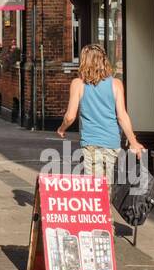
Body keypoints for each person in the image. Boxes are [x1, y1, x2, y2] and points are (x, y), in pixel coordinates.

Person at [56, 44, 145, 180]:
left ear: (84, 61)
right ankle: (106, 200)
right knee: (105, 183)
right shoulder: (116, 84)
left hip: (92, 142)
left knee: (95, 187)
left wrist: (62, 129)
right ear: (104, 61)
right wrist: (133, 142)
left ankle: (105, 201)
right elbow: (122, 116)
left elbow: (70, 116)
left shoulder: (78, 84)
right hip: (112, 142)